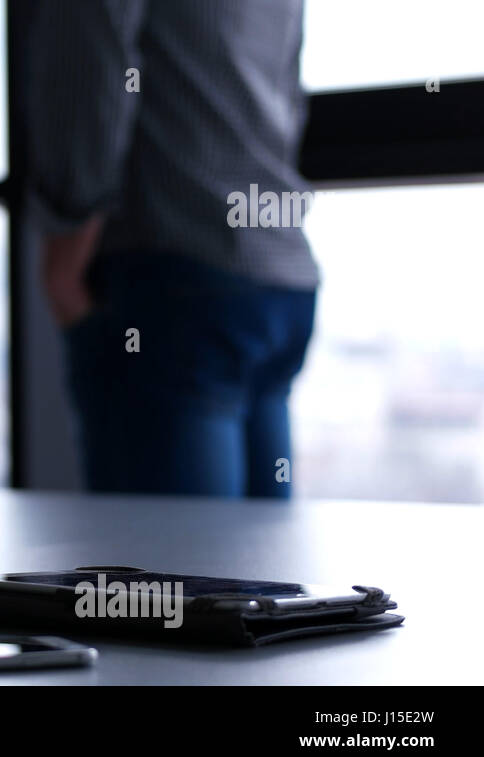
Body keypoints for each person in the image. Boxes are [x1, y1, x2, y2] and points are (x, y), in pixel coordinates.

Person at [29, 0, 318, 498]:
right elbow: (288, 89)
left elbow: (92, 61)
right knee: (256, 566)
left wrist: (67, 245)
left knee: (166, 568)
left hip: (173, 270)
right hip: (277, 273)